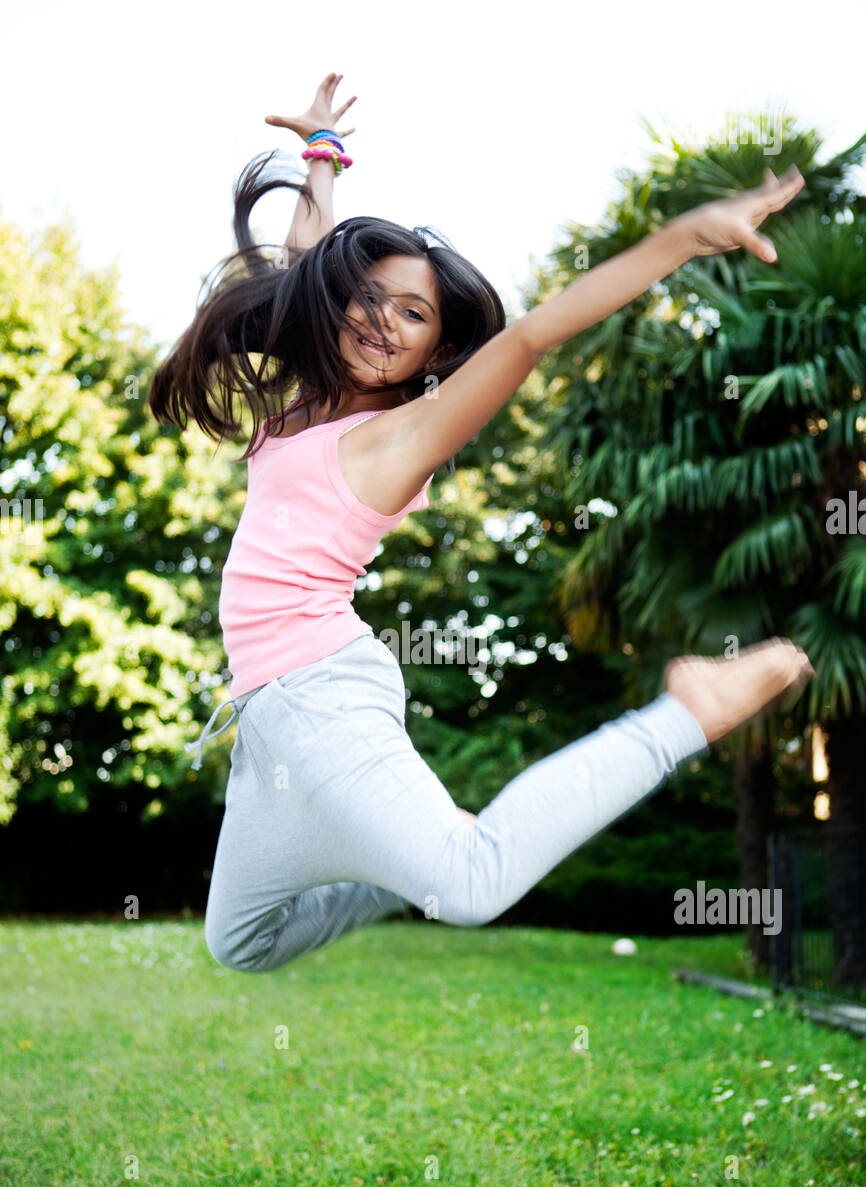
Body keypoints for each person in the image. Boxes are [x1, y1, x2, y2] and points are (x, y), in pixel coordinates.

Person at [148, 73, 813, 973]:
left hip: (323, 693)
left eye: (413, 314)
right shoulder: (304, 401)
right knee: (241, 945)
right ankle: (398, 863)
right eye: (368, 297)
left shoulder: (401, 435)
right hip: (269, 712)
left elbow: (535, 334)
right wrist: (322, 156)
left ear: (439, 350)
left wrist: (679, 241)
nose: (383, 320)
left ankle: (686, 713)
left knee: (469, 884)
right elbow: (310, 258)